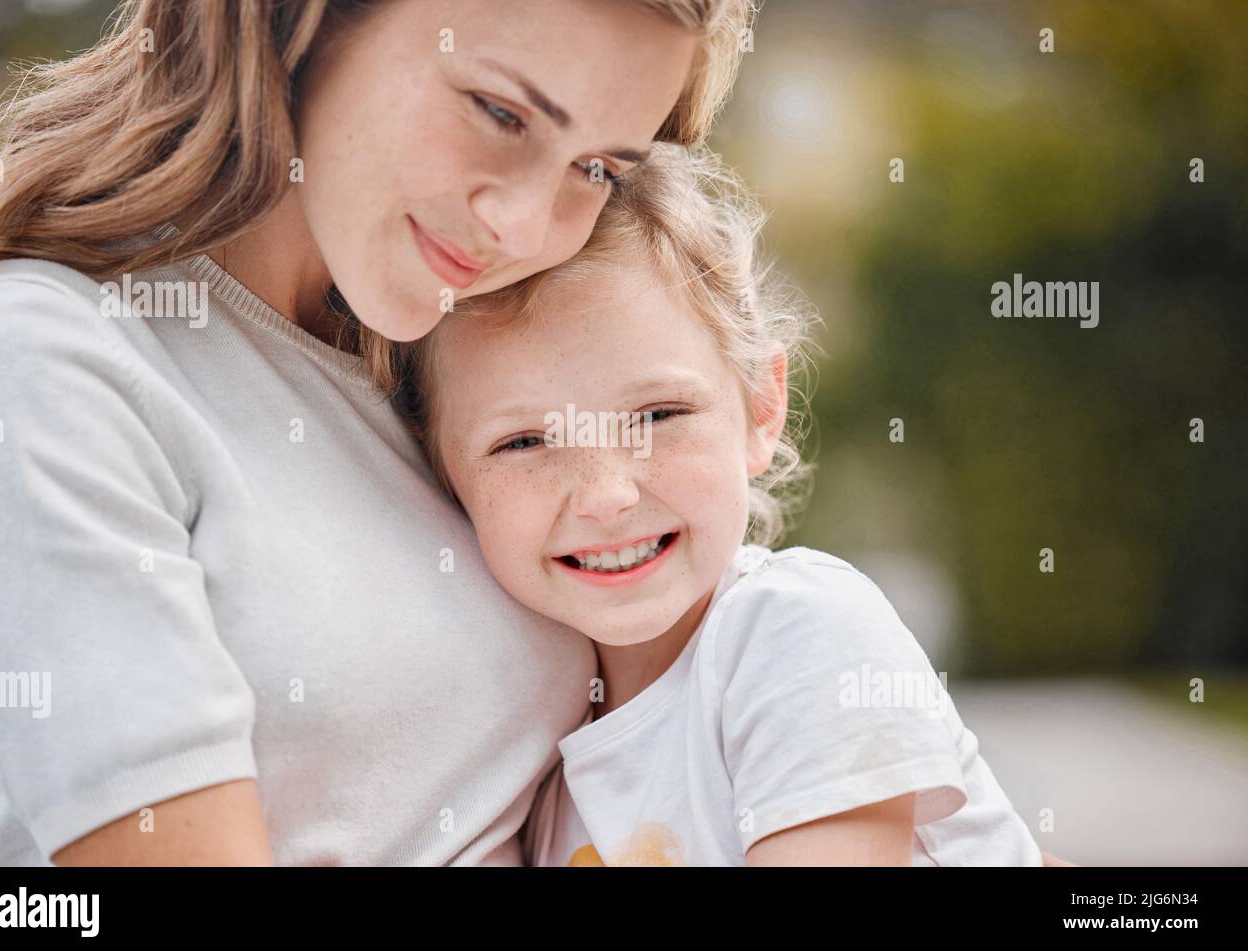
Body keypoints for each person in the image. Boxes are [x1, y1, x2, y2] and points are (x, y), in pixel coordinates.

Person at [0, 0, 755, 866]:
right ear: (306, 22)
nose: (523, 226)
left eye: (595, 167)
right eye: (499, 113)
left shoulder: (455, 365)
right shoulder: (50, 357)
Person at [390, 145, 1047, 865]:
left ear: (761, 406)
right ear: (443, 474)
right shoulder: (541, 760)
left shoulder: (799, 633)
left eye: (658, 415)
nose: (608, 494)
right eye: (523, 442)